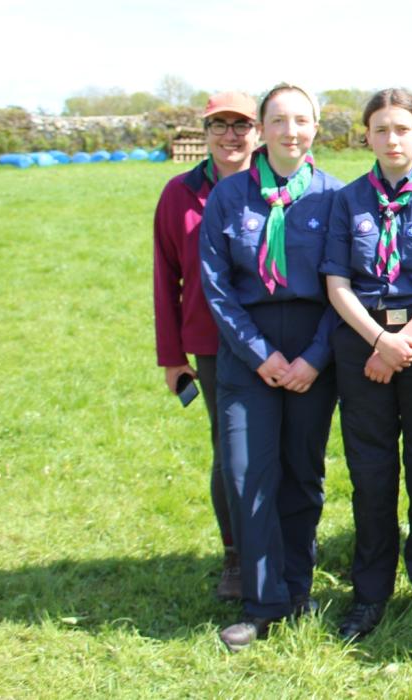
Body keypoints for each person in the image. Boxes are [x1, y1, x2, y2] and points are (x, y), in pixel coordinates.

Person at [199, 83, 341, 651]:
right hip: (246, 354)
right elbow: (216, 286)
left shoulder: (334, 195)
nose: (290, 130)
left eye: (300, 120)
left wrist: (313, 357)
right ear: (261, 129)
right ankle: (262, 602)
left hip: (314, 350)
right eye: (278, 120)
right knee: (245, 472)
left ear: (314, 128)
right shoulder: (229, 197)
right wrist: (260, 354)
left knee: (301, 474)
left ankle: (298, 588)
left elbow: (344, 287)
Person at [324, 89, 412, 642]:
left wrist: (402, 341)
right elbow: (337, 283)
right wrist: (378, 341)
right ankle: (370, 592)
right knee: (371, 475)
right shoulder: (348, 199)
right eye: (381, 129)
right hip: (362, 341)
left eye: (402, 129)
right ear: (368, 136)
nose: (392, 139)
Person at [153, 91, 259, 601]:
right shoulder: (180, 193)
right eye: (220, 125)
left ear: (257, 132)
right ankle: (236, 554)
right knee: (229, 451)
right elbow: (165, 276)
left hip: (277, 339)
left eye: (241, 125)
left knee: (284, 448)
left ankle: (282, 543)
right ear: (206, 130)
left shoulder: (278, 182)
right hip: (212, 343)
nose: (230, 136)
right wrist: (172, 356)